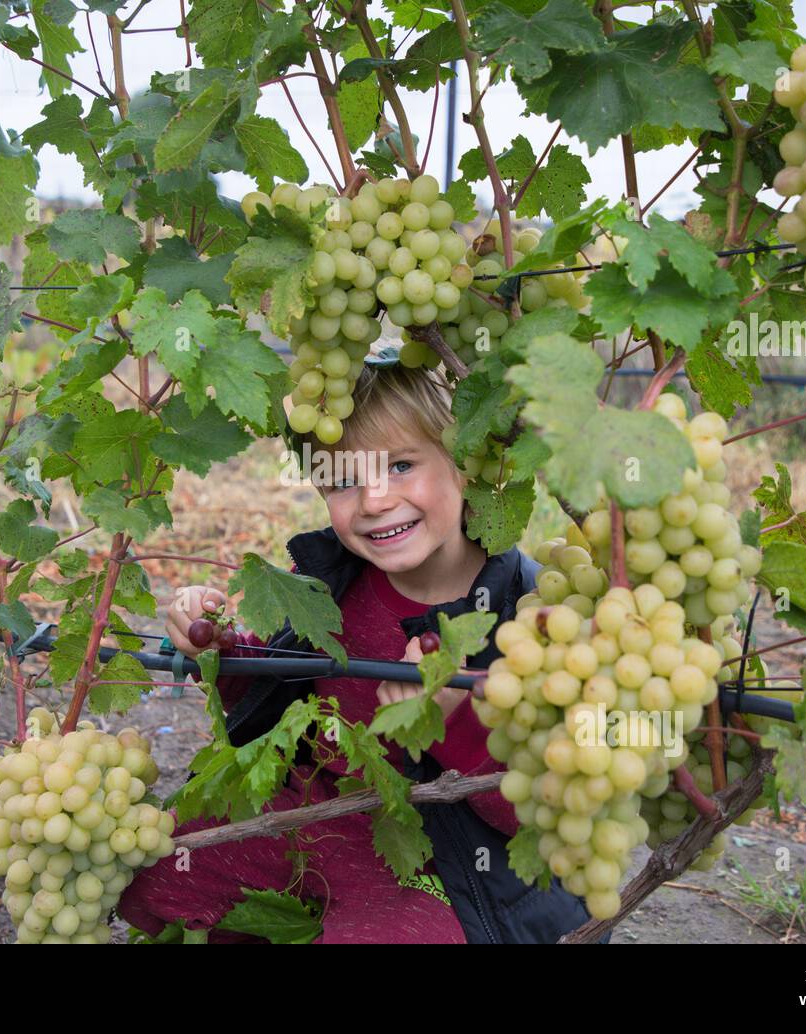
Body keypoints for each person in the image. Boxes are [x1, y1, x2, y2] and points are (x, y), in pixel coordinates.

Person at [116, 361, 602, 943]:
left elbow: (542, 811)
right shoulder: (328, 587)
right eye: (344, 479)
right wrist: (225, 652)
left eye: (401, 465)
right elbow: (280, 699)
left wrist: (458, 721)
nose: (373, 500)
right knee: (147, 873)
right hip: (315, 819)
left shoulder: (531, 613)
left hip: (443, 865)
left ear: (466, 466)